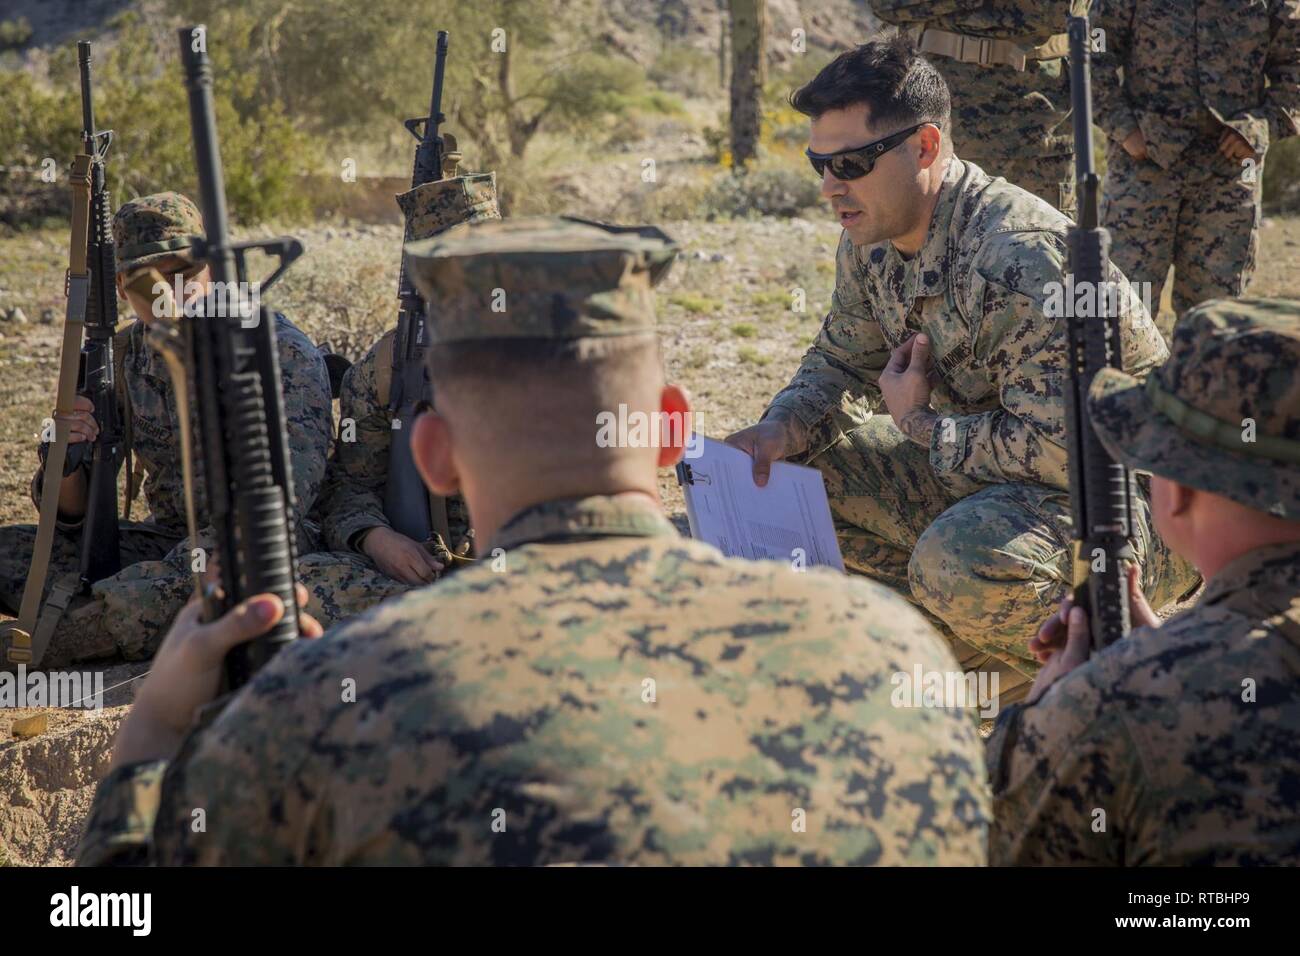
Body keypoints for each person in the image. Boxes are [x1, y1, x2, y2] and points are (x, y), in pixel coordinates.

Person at [76, 216, 988, 866]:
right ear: (675, 431)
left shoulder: (317, 711)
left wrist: (156, 726)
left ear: (434, 456)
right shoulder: (894, 653)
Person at [725, 35, 1197, 701]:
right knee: (795, 473)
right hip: (995, 482)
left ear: (924, 148)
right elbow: (841, 357)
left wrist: (919, 424)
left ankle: (1110, 686)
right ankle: (967, 653)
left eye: (852, 163)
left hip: (1132, 505)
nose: (832, 187)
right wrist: (779, 429)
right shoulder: (872, 235)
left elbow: (1071, 452)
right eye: (819, 164)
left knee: (957, 560)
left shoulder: (1022, 260)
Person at [988, 297, 1300, 865]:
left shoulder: (1110, 707)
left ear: (1175, 487)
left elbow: (987, 843)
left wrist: (1042, 722)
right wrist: (1170, 656)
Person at [0, 193, 333, 667]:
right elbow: (71, 518)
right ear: (119, 286)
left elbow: (282, 504)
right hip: (166, 539)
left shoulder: (276, 352)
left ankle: (69, 633)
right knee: (12, 551)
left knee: (172, 582)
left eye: (185, 273)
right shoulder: (118, 357)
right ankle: (115, 611)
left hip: (262, 543)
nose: (170, 292)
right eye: (147, 279)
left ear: (211, 272)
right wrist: (68, 456)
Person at [298, 172, 500, 626]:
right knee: (297, 582)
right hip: (421, 573)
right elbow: (351, 488)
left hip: (521, 566)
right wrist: (375, 539)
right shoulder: (387, 366)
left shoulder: (551, 355)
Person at [1091, 0, 1300, 335]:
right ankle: (1121, 387)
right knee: (1120, 308)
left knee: (1217, 317)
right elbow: (1094, 48)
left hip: (1229, 172)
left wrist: (1260, 127)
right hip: (1143, 166)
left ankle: (1199, 386)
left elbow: (1294, 64)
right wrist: (1122, 126)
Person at [869, 1, 1082, 214]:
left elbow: (1063, 10)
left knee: (1042, 240)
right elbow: (886, 6)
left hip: (1037, 138)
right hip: (929, 125)